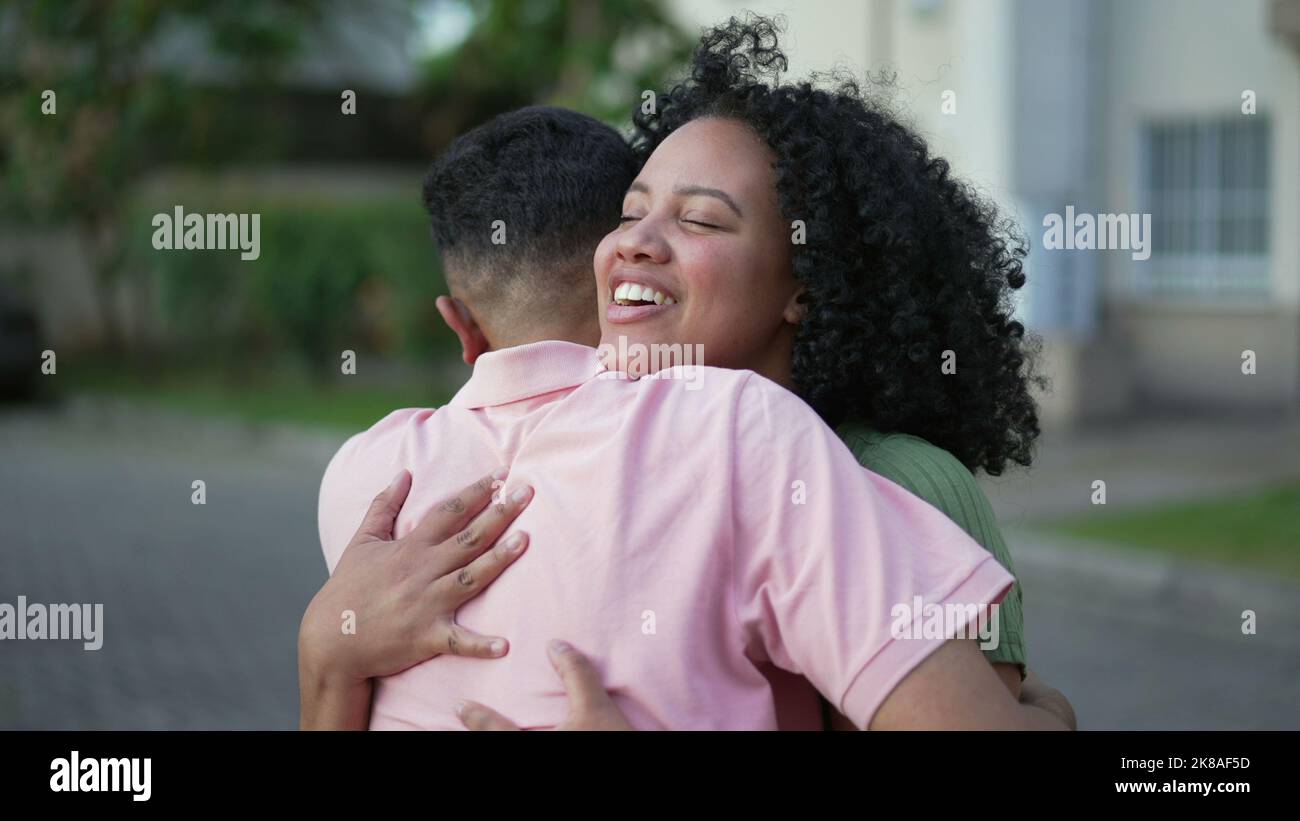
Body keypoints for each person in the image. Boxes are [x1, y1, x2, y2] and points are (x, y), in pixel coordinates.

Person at [301, 99, 1071, 730]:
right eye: (628, 213)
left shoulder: (883, 470)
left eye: (699, 219)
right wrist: (328, 653)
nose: (636, 242)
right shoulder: (656, 441)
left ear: (806, 284)